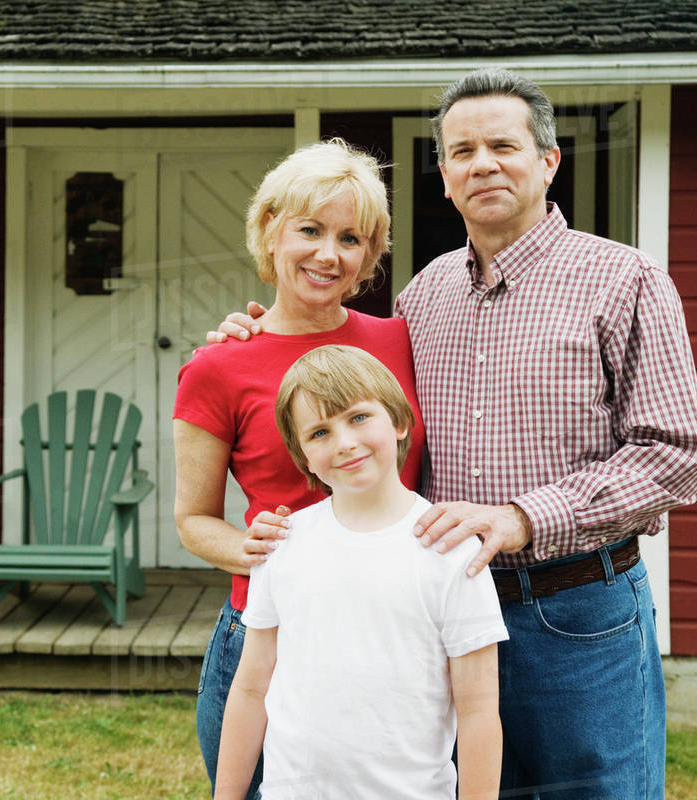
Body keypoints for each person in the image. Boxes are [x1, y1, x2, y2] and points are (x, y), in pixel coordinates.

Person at [212, 68, 697, 799]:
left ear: (548, 161)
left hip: (575, 611)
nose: (483, 165)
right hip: (429, 614)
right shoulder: (423, 298)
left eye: (503, 146)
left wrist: (521, 518)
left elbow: (676, 457)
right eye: (462, 152)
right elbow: (342, 380)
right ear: (444, 177)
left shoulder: (624, 280)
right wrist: (257, 334)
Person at [174, 139, 426, 799]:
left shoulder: (399, 341)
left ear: (370, 254)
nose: (328, 254)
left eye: (350, 238)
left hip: (394, 630)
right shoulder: (216, 367)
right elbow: (194, 519)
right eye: (309, 230)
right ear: (269, 231)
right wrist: (250, 548)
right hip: (272, 633)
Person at [214, 345, 506, 800]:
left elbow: (479, 709)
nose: (345, 443)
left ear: (400, 421)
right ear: (303, 456)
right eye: (319, 432)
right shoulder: (281, 544)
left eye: (358, 418)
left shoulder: (451, 548)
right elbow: (251, 688)